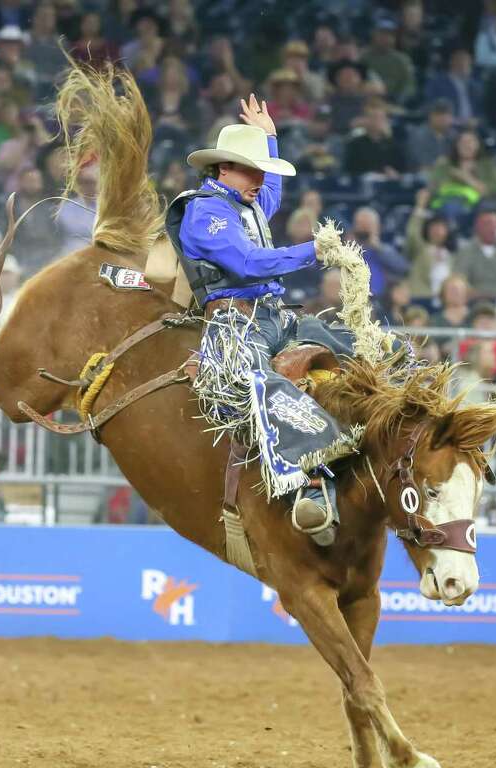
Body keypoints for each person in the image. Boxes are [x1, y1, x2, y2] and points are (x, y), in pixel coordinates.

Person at [164, 96, 358, 546]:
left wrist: (269, 138)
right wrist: (314, 250)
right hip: (234, 326)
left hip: (274, 316)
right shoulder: (205, 212)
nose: (260, 179)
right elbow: (248, 263)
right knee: (265, 388)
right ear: (223, 168)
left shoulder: (245, 200)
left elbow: (270, 192)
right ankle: (307, 487)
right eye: (251, 170)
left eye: (260, 170)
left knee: (356, 349)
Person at [452, 207, 496, 302]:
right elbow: (460, 278)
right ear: (477, 227)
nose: (492, 228)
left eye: (495, 224)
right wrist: (475, 294)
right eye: (487, 224)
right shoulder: (465, 251)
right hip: (475, 300)